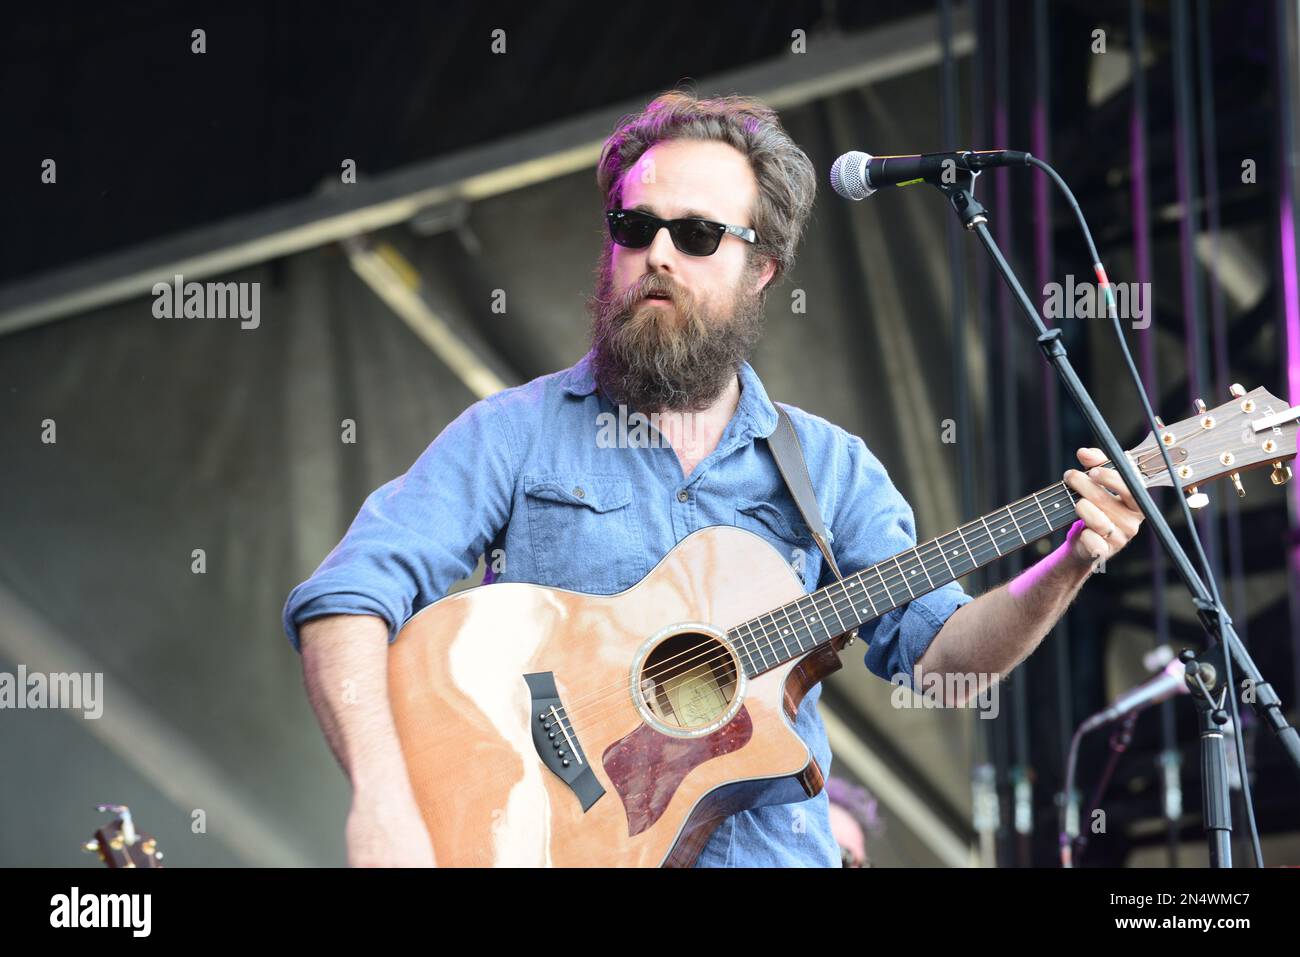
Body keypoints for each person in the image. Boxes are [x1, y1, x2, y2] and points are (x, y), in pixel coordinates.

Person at [282, 91, 1144, 867]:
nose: (657, 253)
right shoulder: (514, 433)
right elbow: (346, 598)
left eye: (695, 234)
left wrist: (1068, 559)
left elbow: (941, 657)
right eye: (634, 227)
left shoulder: (829, 467)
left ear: (760, 267)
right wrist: (383, 801)